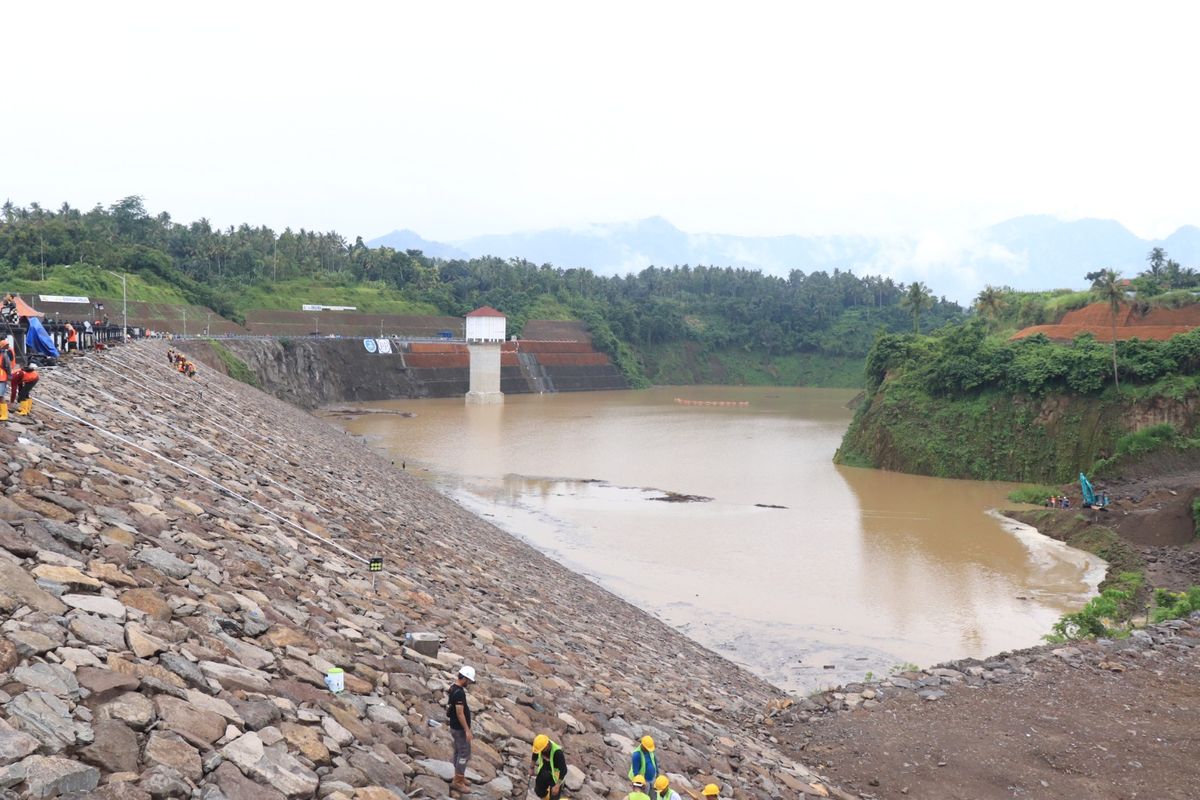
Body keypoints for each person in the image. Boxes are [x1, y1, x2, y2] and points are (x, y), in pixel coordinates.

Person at [447, 665, 476, 793]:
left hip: (456, 727)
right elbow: (460, 713)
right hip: (459, 729)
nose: (469, 683)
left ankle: (459, 776)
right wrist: (467, 730)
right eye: (468, 680)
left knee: (459, 751)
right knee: (463, 753)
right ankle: (458, 782)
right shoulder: (459, 693)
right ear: (464, 678)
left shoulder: (453, 688)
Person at [530, 734, 567, 799]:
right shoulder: (541, 746)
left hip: (556, 774)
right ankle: (544, 796)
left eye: (542, 750)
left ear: (547, 746)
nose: (540, 751)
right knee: (539, 790)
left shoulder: (558, 753)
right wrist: (531, 768)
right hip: (545, 769)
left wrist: (557, 786)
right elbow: (535, 754)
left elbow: (564, 770)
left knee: (554, 794)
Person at [0, 339, 12, 422]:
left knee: (0, 396)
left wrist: (9, 377)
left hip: (2, 378)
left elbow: (8, 367)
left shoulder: (4, 355)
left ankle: (4, 415)